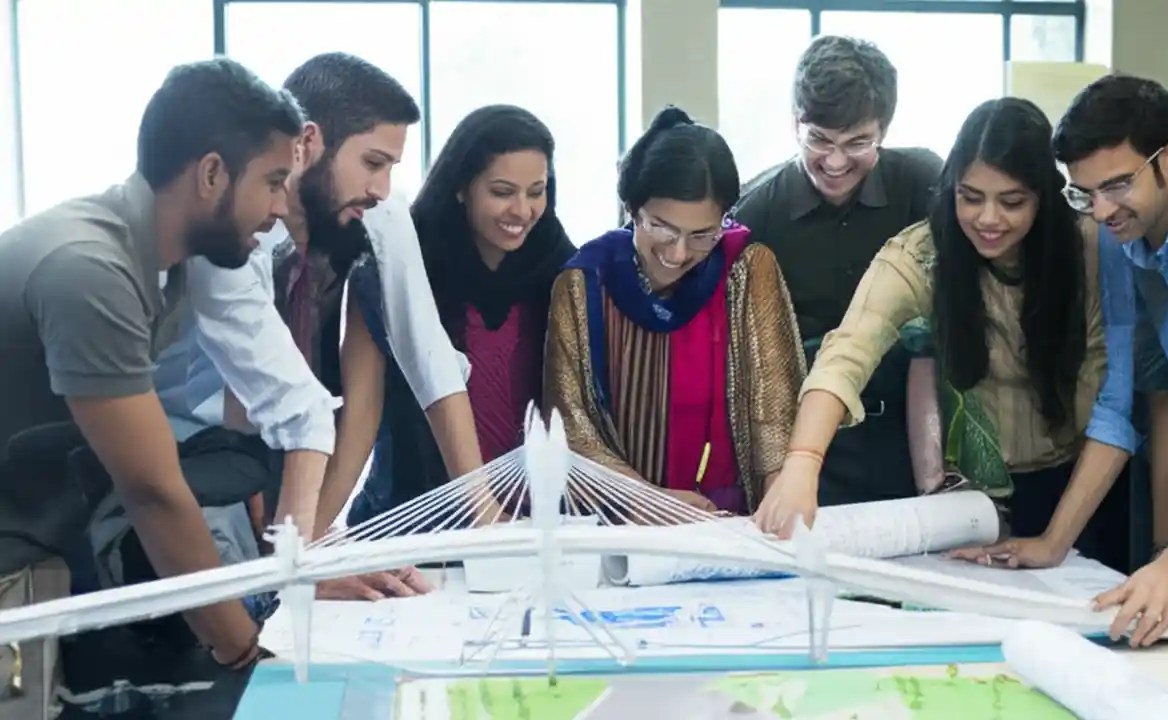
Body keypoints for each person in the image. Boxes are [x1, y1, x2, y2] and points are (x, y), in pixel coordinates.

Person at [0, 58, 302, 674]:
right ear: (213, 174)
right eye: (272, 181)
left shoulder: (167, 269)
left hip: (41, 550)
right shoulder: (89, 270)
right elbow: (153, 490)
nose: (281, 207)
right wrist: (248, 654)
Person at [957, 74, 1168, 645]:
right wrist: (1055, 542)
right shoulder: (1119, 237)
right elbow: (1116, 401)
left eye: (1117, 185)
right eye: (1084, 192)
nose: (1101, 210)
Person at [156, 53, 481, 601]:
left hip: (290, 454)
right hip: (190, 453)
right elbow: (257, 406)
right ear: (309, 143)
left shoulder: (375, 214)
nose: (382, 187)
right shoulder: (236, 232)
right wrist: (299, 564)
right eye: (373, 162)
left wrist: (486, 515)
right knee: (241, 623)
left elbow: (430, 361)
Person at [755, 98, 1130, 567]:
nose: (988, 219)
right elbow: (846, 353)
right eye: (970, 197)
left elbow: (1118, 406)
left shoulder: (1094, 252)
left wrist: (1056, 540)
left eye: (1012, 201)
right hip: (985, 497)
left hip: (1091, 484)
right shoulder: (922, 254)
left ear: (1044, 196)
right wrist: (803, 462)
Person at [544, 106, 806, 515]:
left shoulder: (747, 269)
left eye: (703, 234)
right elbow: (570, 426)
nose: (679, 252)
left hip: (728, 519)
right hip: (624, 517)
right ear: (633, 209)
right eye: (662, 227)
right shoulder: (585, 283)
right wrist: (647, 500)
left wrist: (778, 503)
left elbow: (773, 410)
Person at [731, 35, 943, 508]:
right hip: (805, 446)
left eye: (857, 143)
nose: (835, 161)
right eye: (819, 141)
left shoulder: (923, 184)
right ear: (794, 124)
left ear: (884, 130)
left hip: (918, 431)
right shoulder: (755, 213)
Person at [341, 105, 575, 527]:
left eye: (536, 191)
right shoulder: (402, 267)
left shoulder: (562, 270)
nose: (522, 211)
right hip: (416, 522)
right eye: (503, 192)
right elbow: (362, 411)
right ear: (461, 187)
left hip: (533, 523)